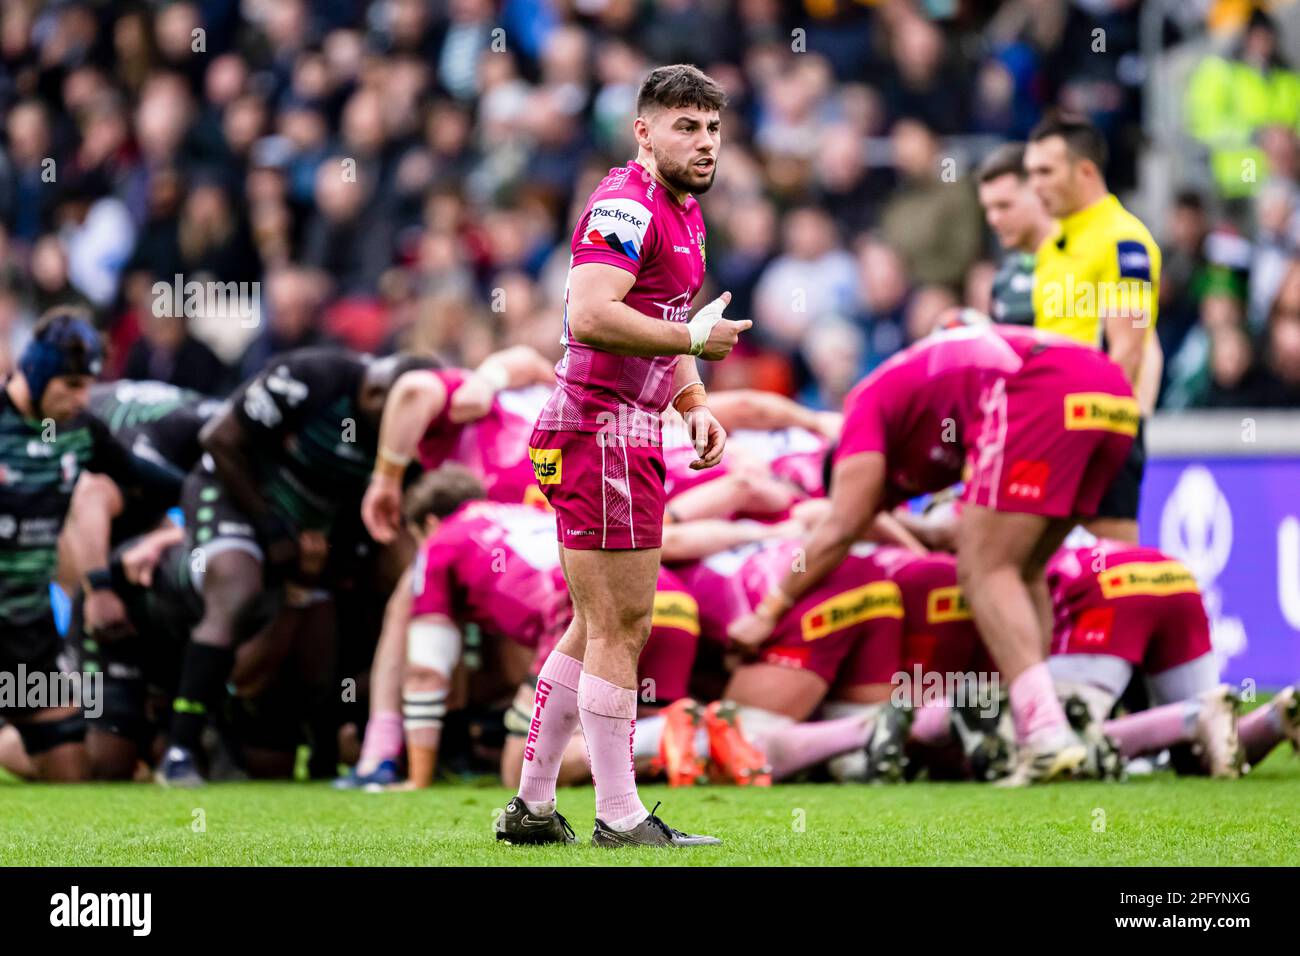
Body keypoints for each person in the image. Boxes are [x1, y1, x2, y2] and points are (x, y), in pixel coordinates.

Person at [497, 64, 751, 849]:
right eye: (685, 126)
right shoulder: (624, 205)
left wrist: (695, 400)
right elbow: (592, 313)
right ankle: (619, 816)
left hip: (623, 431)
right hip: (597, 430)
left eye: (711, 128)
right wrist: (692, 342)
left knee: (596, 623)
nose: (704, 142)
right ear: (644, 131)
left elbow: (668, 321)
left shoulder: (683, 211)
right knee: (623, 625)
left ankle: (533, 809)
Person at [727, 321, 1139, 785]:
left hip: (1041, 384)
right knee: (1023, 571)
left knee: (985, 572)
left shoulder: (864, 408)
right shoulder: (922, 427)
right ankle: (1051, 729)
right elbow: (953, 528)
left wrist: (771, 609)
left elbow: (843, 525)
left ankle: (1045, 734)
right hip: (1111, 393)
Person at [154, 347, 440, 785]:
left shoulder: (414, 432)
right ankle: (181, 749)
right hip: (237, 496)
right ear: (377, 394)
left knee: (338, 624)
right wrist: (270, 529)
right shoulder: (310, 377)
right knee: (238, 587)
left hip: (316, 525)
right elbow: (219, 439)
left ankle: (335, 748)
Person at [0, 309, 175, 780]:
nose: (83, 398)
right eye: (71, 385)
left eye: (89, 384)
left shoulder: (80, 433)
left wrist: (177, 529)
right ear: (36, 373)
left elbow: (156, 486)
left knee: (74, 774)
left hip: (27, 635)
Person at [1025, 114, 1162, 543]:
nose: (1035, 186)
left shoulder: (1124, 241)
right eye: (1030, 174)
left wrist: (1086, 433)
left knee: (1110, 559)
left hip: (1097, 429)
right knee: (1036, 563)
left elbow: (1128, 350)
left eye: (1045, 172)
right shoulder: (1051, 246)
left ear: (1085, 171)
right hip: (1049, 423)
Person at [976, 142, 1052, 326]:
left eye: (1004, 206)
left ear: (1040, 194)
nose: (993, 219)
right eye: (988, 209)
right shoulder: (1003, 281)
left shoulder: (1086, 262)